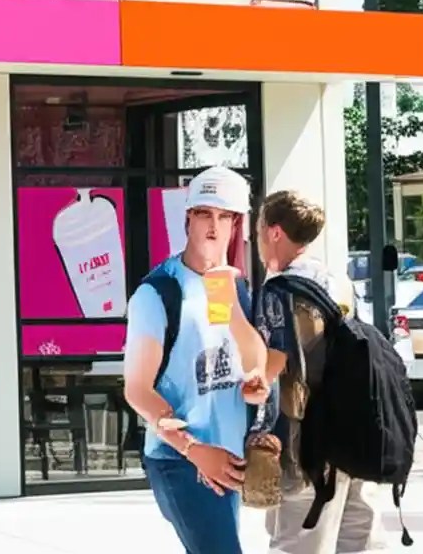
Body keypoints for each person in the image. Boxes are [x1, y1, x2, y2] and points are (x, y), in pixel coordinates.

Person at [122, 166, 274, 554]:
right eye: (205, 213)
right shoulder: (159, 293)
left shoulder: (235, 285)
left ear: (236, 225)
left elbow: (254, 358)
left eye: (225, 217)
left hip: (228, 453)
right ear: (188, 217)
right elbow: (137, 390)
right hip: (181, 460)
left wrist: (255, 380)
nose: (214, 225)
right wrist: (192, 449)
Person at [251, 191, 386, 553]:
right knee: (357, 542)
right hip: (355, 434)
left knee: (298, 541)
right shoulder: (338, 281)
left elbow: (273, 364)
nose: (257, 239)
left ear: (275, 232)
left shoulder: (279, 291)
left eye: (260, 229)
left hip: (305, 442)